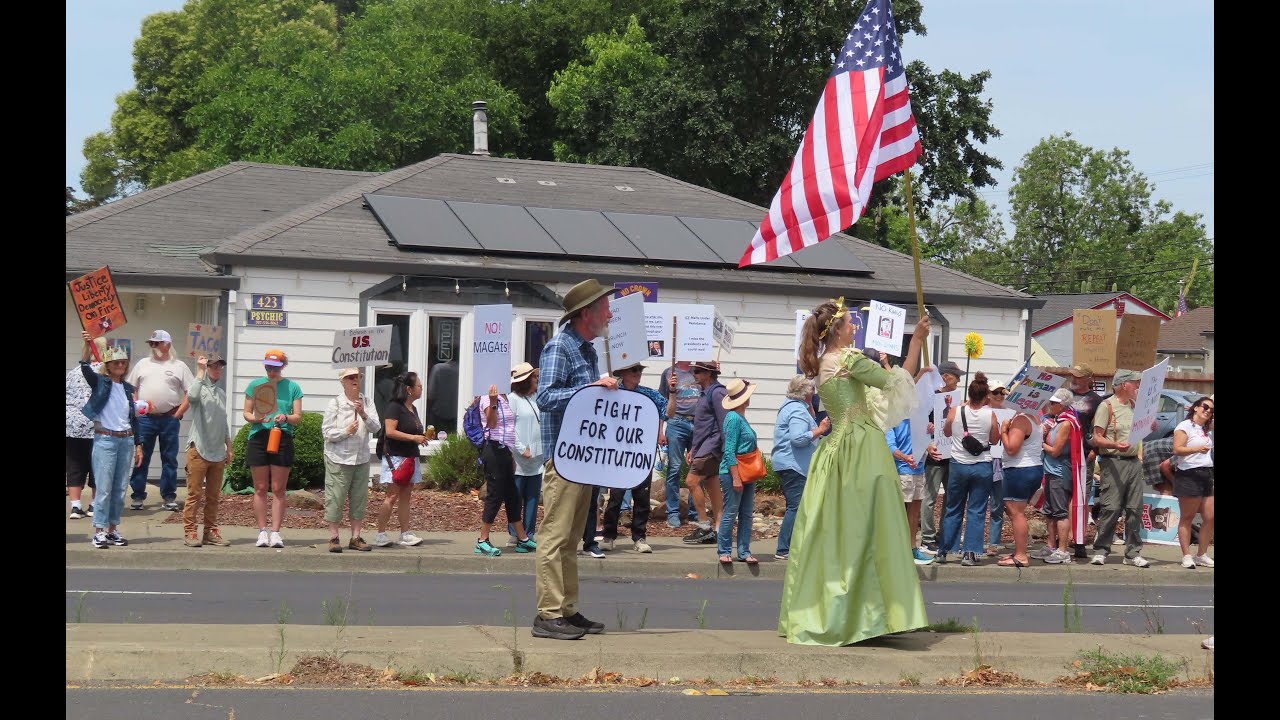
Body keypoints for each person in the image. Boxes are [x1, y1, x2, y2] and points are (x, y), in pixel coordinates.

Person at [779, 298, 930, 646]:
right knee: (871, 528)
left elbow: (871, 396)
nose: (855, 328)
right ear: (836, 329)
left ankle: (844, 611)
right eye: (850, 323)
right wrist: (917, 341)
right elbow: (895, 384)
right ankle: (865, 615)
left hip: (834, 451)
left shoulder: (823, 363)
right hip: (861, 449)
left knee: (836, 533)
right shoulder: (848, 359)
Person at [532, 278, 616, 640]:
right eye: (604, 308)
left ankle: (566, 608)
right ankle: (548, 613)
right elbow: (546, 397)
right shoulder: (559, 348)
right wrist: (591, 388)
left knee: (570, 538)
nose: (609, 314)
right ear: (587, 314)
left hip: (583, 458)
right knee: (554, 535)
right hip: (563, 459)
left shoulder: (587, 350)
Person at [78, 331, 143, 549]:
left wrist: (138, 444)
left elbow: (133, 418)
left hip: (126, 440)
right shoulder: (101, 382)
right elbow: (84, 366)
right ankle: (99, 531)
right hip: (105, 439)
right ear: (107, 364)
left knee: (119, 489)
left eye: (123, 363)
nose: (120, 366)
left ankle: (113, 529)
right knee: (103, 489)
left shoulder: (127, 388)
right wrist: (87, 344)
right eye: (115, 362)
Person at [599, 361, 665, 553]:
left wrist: (673, 393)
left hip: (641, 452)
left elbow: (665, 410)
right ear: (623, 372)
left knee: (642, 496)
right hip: (618, 451)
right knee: (616, 496)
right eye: (634, 370)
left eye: (640, 370)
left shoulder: (650, 394)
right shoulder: (612, 392)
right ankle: (609, 535)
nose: (638, 373)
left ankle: (639, 537)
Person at [242, 349, 304, 549]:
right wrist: (257, 418)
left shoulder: (293, 387)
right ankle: (262, 531)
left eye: (275, 367)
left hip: (282, 435)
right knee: (260, 488)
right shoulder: (255, 385)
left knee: (278, 488)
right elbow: (246, 412)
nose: (271, 370)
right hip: (259, 435)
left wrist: (285, 417)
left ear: (283, 366)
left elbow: (297, 417)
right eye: (268, 366)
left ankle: (276, 532)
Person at [127, 329, 195, 511]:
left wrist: (178, 414)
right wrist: (136, 407)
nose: (153, 346)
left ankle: (169, 496)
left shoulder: (179, 366)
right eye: (151, 343)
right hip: (145, 419)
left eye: (157, 343)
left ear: (168, 344)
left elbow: (191, 392)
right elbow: (132, 387)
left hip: (169, 418)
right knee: (141, 457)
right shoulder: (142, 364)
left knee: (169, 458)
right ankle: (138, 496)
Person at [940, 372, 1001, 566]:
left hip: (958, 463)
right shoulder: (990, 414)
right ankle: (970, 553)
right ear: (986, 397)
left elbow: (947, 432)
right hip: (982, 464)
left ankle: (944, 550)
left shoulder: (956, 411)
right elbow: (994, 439)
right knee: (977, 510)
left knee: (953, 507)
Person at [1090, 369, 1148, 567]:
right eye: (1135, 383)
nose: (1137, 387)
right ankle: (1101, 549)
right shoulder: (1107, 406)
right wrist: (1114, 445)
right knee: (1111, 507)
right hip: (1113, 461)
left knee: (1134, 508)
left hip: (1133, 462)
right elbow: (1096, 437)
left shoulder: (1135, 406)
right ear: (1124, 384)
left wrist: (1151, 425)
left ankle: (1132, 553)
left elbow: (1143, 430)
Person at [321, 368, 381, 553]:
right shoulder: (335, 404)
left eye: (357, 377)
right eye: (350, 377)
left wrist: (363, 414)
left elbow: (376, 427)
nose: (355, 380)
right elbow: (327, 432)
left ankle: (355, 537)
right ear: (343, 381)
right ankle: (333, 537)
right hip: (338, 458)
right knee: (335, 497)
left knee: (359, 499)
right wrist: (346, 431)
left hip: (361, 458)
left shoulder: (367, 402)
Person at [476, 382, 538, 557]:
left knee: (513, 495)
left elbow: (508, 429)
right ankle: (482, 540)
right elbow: (491, 424)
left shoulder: (504, 399)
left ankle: (523, 539)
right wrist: (493, 401)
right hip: (493, 450)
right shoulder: (486, 399)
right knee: (494, 495)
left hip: (504, 451)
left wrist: (510, 456)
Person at [772, 376, 829, 561]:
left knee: (796, 506)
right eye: (812, 390)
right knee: (795, 507)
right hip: (793, 465)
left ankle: (793, 545)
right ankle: (784, 548)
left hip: (791, 463)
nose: (814, 393)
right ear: (805, 392)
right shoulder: (796, 410)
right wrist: (820, 430)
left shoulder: (793, 407)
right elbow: (797, 439)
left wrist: (811, 410)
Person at [181, 355, 233, 548]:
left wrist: (229, 445)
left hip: (218, 451)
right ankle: (190, 532)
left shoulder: (221, 393)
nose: (217, 370)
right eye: (214, 367)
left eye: (220, 367)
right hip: (199, 449)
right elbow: (192, 396)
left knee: (213, 496)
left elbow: (223, 419)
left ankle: (210, 532)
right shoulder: (199, 388)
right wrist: (200, 370)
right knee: (194, 494)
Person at [374, 372, 428, 548]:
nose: (421, 389)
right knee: (392, 495)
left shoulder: (413, 409)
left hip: (411, 456)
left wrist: (421, 437)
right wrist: (413, 438)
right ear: (409, 389)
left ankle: (405, 533)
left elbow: (412, 431)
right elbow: (390, 431)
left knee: (406, 495)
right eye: (418, 386)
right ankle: (380, 533)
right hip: (396, 457)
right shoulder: (394, 407)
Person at [1031, 388, 1083, 564]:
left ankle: (1063, 550)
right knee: (1050, 512)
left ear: (1062, 405)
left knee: (1060, 512)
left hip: (1060, 473)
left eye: (1053, 403)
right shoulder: (1057, 421)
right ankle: (1051, 546)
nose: (1050, 405)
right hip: (1050, 473)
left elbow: (1055, 451)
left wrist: (1041, 443)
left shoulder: (1067, 423)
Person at [920, 360, 964, 554]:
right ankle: (927, 537)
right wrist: (927, 443)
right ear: (945, 377)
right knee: (929, 497)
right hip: (935, 455)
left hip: (952, 454)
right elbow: (920, 423)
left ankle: (944, 536)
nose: (959, 380)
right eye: (956, 376)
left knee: (950, 497)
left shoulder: (957, 399)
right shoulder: (931, 398)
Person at [682, 360, 727, 546]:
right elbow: (703, 425)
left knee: (691, 481)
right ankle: (719, 529)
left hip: (712, 447)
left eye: (698, 371)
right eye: (694, 371)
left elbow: (724, 422)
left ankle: (704, 526)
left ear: (709, 374)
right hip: (703, 446)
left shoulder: (717, 393)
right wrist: (694, 448)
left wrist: (723, 449)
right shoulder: (705, 393)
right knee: (712, 485)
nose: (694, 374)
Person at [718, 378, 761, 565]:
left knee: (746, 513)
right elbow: (729, 450)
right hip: (734, 472)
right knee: (731, 511)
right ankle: (725, 550)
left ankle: (744, 550)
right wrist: (736, 476)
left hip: (746, 471)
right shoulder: (734, 418)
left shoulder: (739, 417)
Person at [995, 403, 1043, 567]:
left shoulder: (1021, 419)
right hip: (1032, 467)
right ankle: (1019, 551)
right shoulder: (1035, 418)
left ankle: (1021, 555)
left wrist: (1003, 430)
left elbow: (1011, 448)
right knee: (1017, 512)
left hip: (1020, 469)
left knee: (1016, 513)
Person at [1066, 362, 1104, 557]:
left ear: (1088, 379)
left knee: (1081, 496)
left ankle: (1078, 539)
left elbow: (1099, 428)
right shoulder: (1065, 396)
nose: (1074, 379)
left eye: (1078, 376)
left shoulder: (1096, 400)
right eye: (1072, 375)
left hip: (1084, 451)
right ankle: (1064, 535)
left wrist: (1094, 450)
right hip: (1063, 452)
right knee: (1063, 495)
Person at [1172, 396, 1214, 569]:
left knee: (1210, 517)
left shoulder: (1206, 429)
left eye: (1211, 410)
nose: (1208, 411)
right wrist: (1196, 449)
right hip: (1188, 474)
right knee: (1187, 518)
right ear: (1196, 407)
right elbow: (1177, 449)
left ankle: (1201, 554)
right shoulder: (1184, 426)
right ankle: (1186, 555)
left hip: (1206, 473)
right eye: (1205, 407)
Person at [886, 414, 932, 566]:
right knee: (899, 513)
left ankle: (912, 548)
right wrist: (905, 458)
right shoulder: (893, 419)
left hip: (919, 469)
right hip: (902, 471)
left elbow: (927, 443)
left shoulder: (920, 419)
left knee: (914, 514)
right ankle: (896, 550)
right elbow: (891, 446)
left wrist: (930, 433)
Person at [660, 360, 702, 528]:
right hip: (677, 422)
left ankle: (695, 512)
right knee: (675, 468)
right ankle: (672, 513)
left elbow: (712, 390)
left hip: (699, 423)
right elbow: (662, 403)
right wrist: (660, 431)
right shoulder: (669, 372)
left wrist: (714, 371)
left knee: (698, 467)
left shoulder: (699, 371)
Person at [507, 363, 543, 546]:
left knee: (533, 498)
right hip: (519, 458)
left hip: (537, 457)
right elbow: (509, 428)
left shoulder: (538, 398)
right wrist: (521, 448)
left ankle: (529, 534)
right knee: (516, 497)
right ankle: (515, 533)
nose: (537, 380)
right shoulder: (512, 399)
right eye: (534, 377)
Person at [67, 345, 101, 520]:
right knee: (97, 466)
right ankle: (95, 505)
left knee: (74, 465)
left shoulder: (72, 373)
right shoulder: (103, 373)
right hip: (95, 426)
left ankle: (75, 506)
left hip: (72, 426)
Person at [984, 385, 1010, 555]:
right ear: (988, 394)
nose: (999, 396)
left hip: (1002, 461)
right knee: (977, 504)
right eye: (995, 392)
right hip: (983, 460)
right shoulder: (980, 411)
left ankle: (993, 542)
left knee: (997, 504)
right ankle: (974, 542)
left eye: (1002, 393)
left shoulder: (1009, 413)